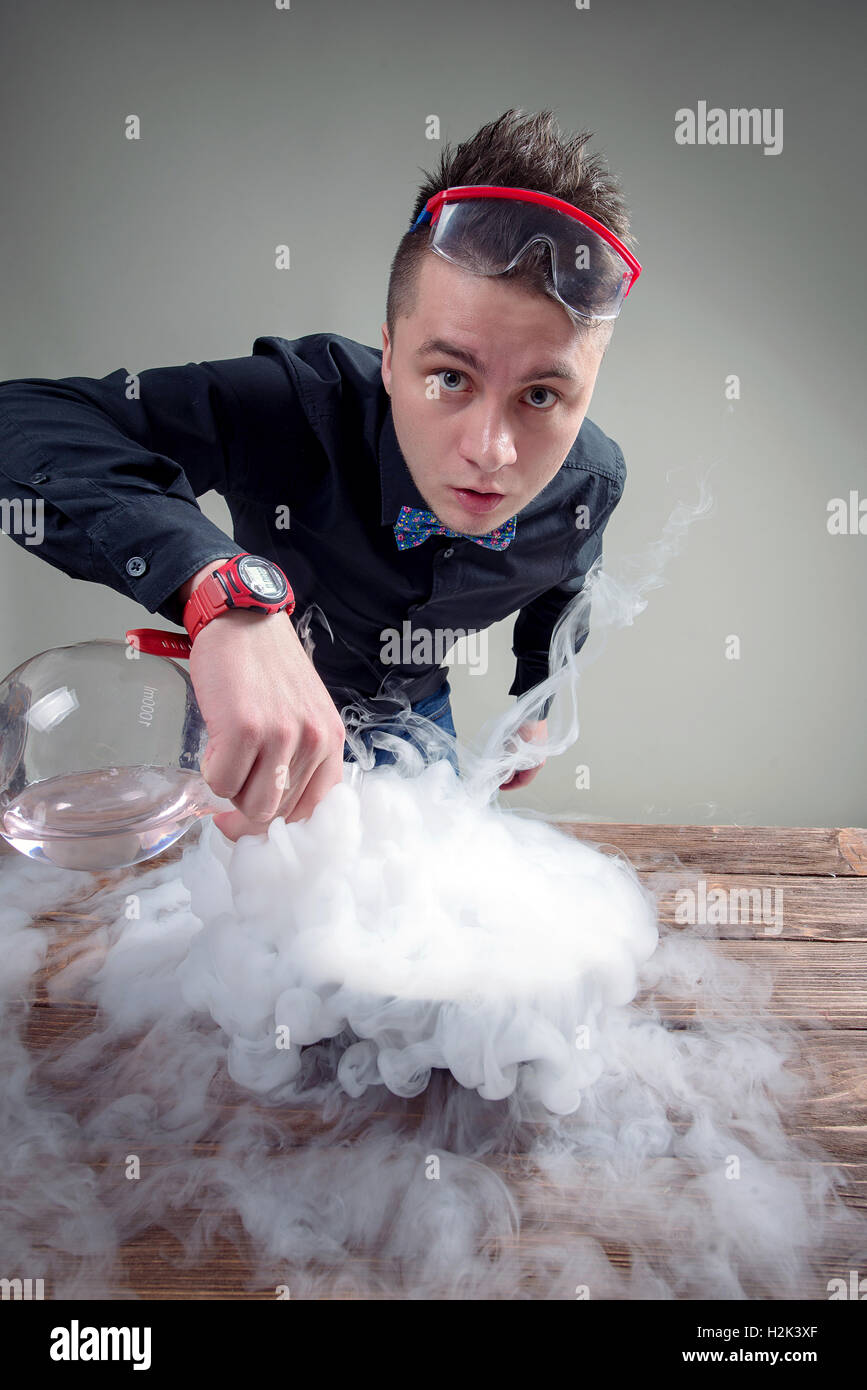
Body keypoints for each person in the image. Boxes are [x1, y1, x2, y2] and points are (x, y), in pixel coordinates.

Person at [0, 108, 639, 842]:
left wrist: (535, 705)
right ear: (390, 357)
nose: (491, 451)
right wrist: (224, 594)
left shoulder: (590, 483)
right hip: (242, 726)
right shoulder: (298, 402)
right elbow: (19, 419)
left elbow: (565, 593)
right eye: (450, 378)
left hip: (418, 723)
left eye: (540, 395)